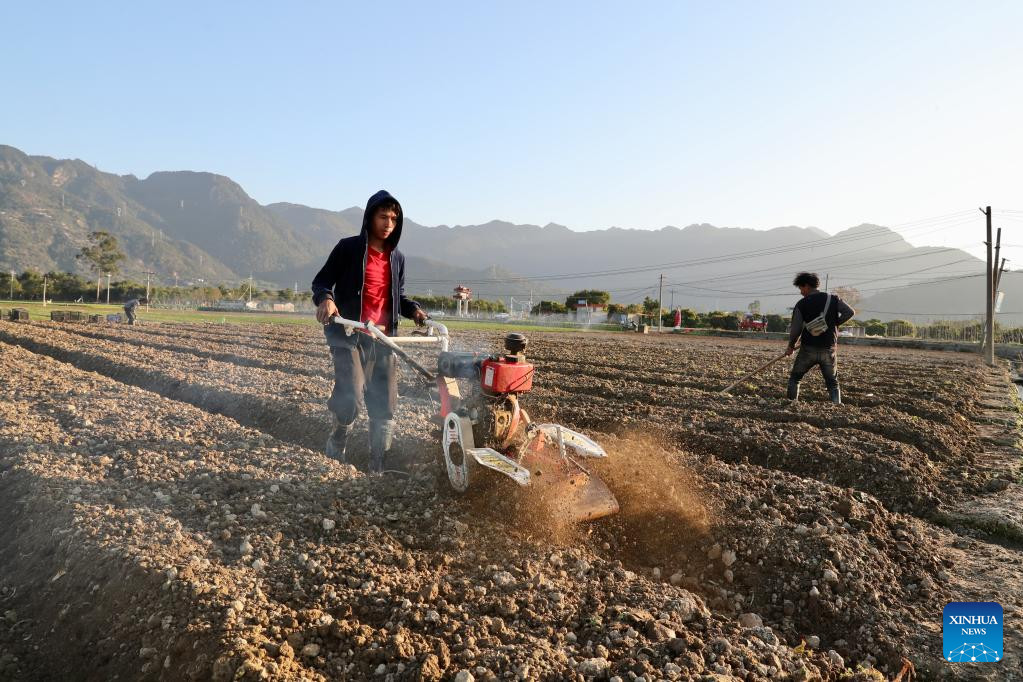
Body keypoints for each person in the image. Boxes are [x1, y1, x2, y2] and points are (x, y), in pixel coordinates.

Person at [311, 190, 427, 472]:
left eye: (394, 218)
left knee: (384, 403)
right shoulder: (348, 249)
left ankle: (377, 464)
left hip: (383, 339)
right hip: (349, 334)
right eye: (383, 216)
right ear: (370, 217)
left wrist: (414, 310)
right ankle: (338, 438)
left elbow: (398, 295)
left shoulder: (397, 258)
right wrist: (326, 298)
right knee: (350, 396)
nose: (389, 223)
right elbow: (322, 281)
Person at [784, 272, 855, 404]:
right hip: (829, 348)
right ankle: (837, 408)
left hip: (808, 349)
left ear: (806, 286)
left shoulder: (802, 304)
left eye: (801, 288)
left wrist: (791, 346)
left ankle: (791, 405)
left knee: (795, 378)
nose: (801, 292)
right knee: (832, 383)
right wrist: (835, 323)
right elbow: (850, 312)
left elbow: (796, 329)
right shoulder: (833, 299)